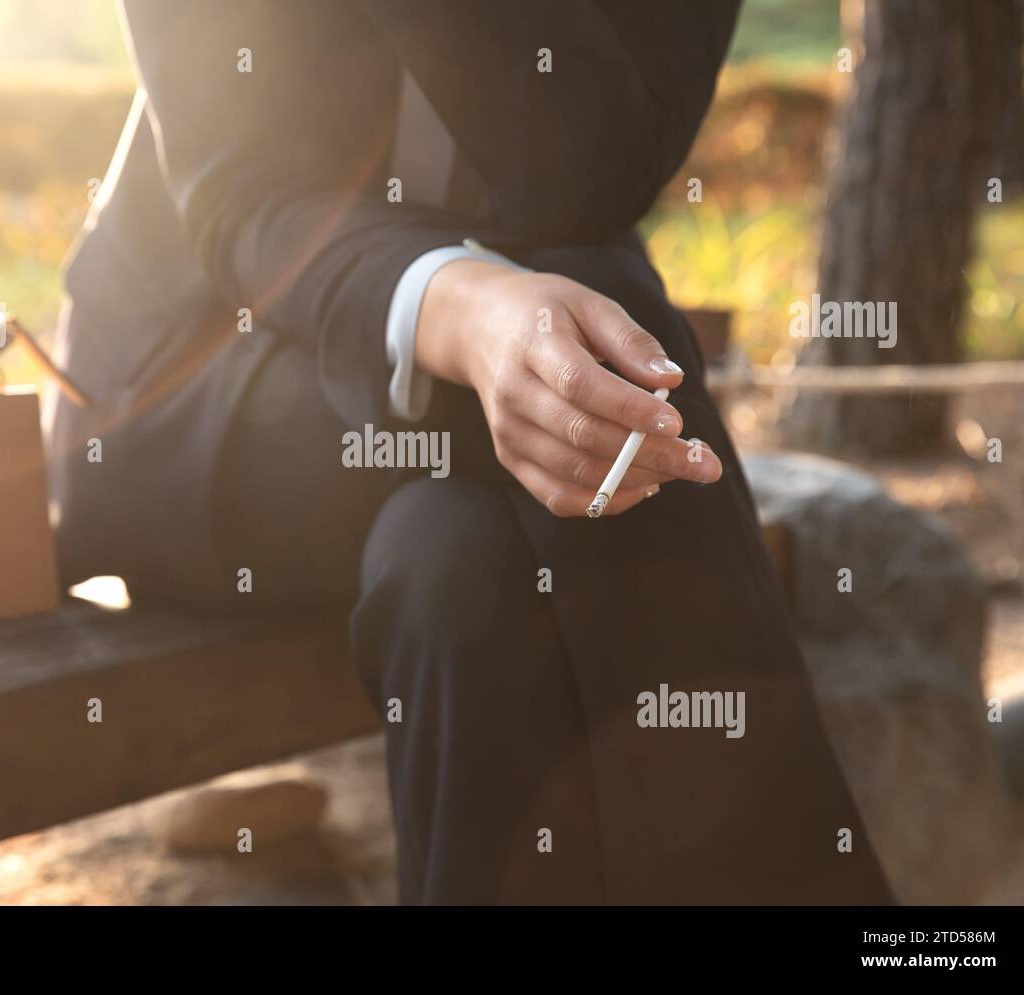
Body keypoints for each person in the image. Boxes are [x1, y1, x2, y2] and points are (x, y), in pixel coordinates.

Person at [48, 0, 894, 904]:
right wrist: (458, 309)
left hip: (523, 383)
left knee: (459, 566)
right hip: (204, 385)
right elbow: (244, 201)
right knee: (616, 348)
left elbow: (590, 170)